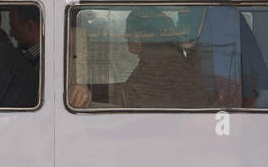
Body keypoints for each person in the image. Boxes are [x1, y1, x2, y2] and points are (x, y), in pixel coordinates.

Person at [69, 9, 210, 109]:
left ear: (146, 35)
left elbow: (134, 104)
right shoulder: (159, 63)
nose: (125, 35)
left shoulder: (164, 68)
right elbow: (128, 92)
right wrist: (84, 86)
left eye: (129, 30)